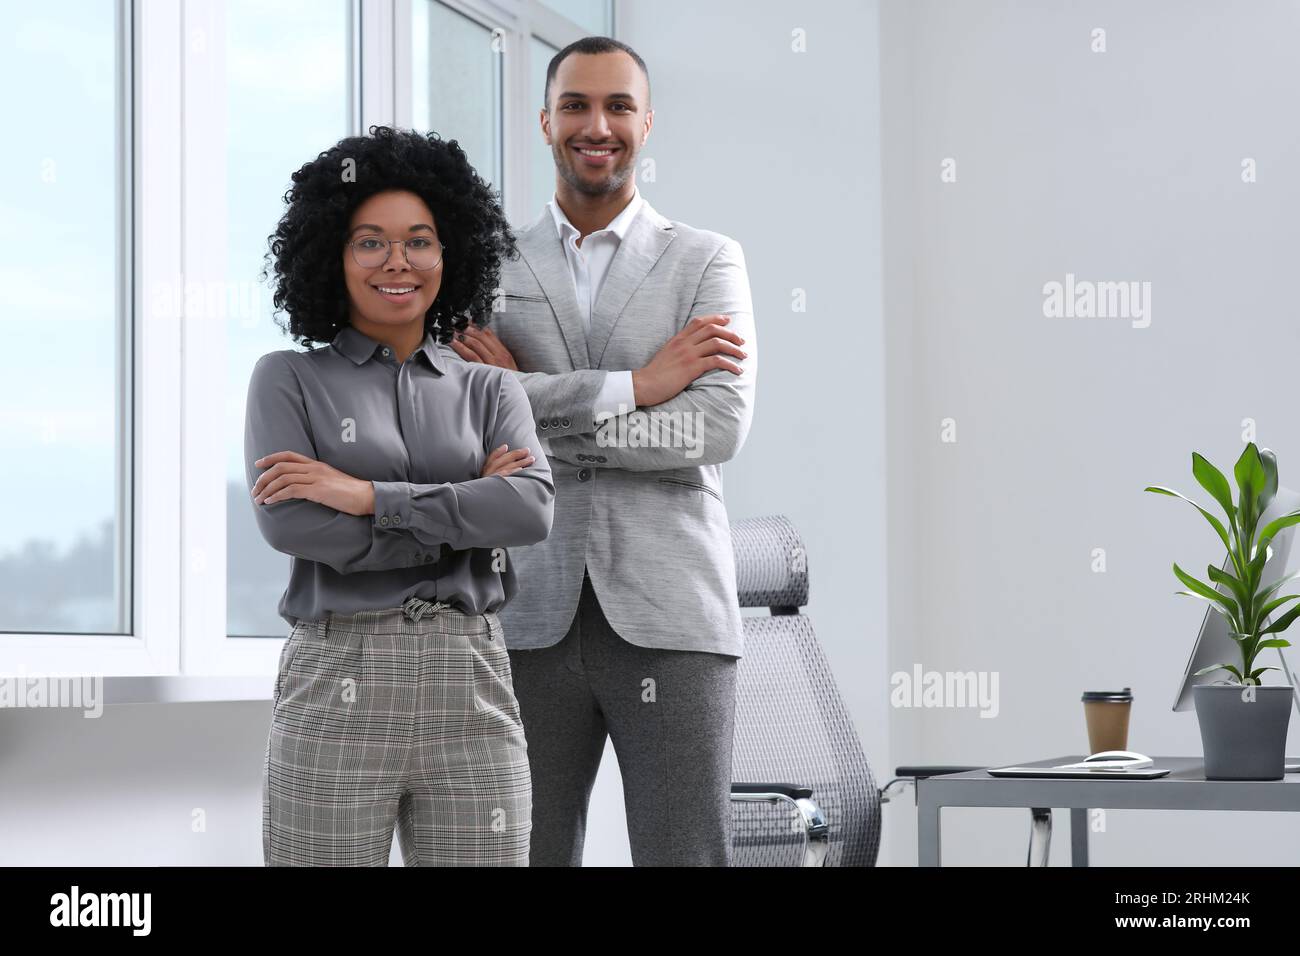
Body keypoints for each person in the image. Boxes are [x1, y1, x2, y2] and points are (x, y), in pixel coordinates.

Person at [451, 37, 757, 866]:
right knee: (522, 853)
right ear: (545, 120)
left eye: (619, 105)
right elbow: (466, 424)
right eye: (577, 105)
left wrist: (531, 404)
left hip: (673, 615)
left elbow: (713, 427)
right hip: (527, 610)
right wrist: (639, 385)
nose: (598, 124)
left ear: (647, 123)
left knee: (683, 855)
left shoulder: (706, 261)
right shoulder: (487, 268)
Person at [246, 126, 554, 866]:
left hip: (472, 677)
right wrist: (466, 510)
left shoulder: (492, 386)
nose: (398, 262)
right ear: (333, 255)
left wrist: (363, 495)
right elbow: (291, 523)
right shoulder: (287, 378)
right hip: (337, 683)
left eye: (420, 240)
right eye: (369, 242)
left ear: (450, 254)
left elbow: (531, 509)